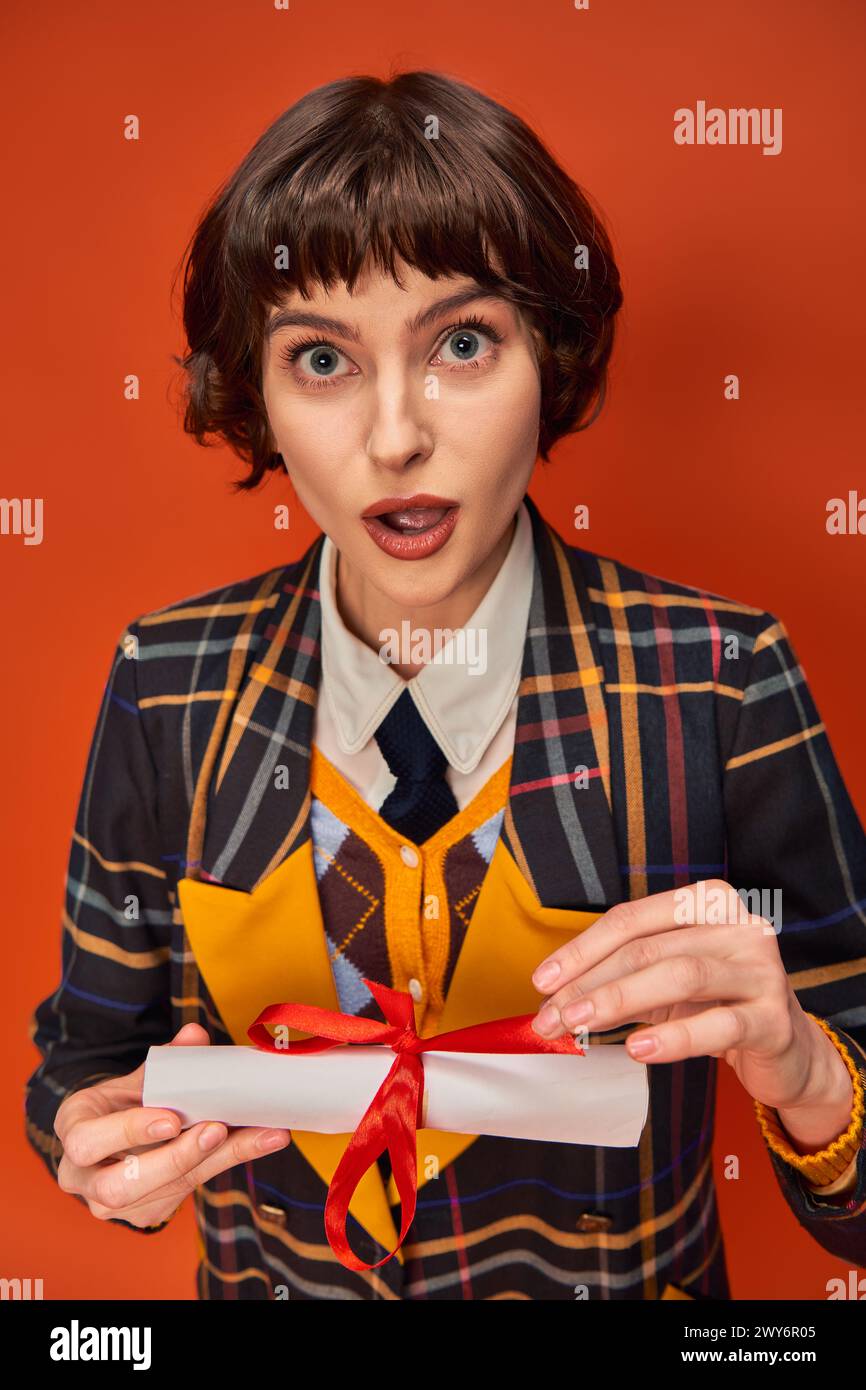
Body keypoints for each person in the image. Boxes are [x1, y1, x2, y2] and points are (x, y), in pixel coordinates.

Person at [25, 70, 866, 1300]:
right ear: (252, 393)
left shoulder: (722, 679)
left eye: (460, 343)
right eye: (319, 358)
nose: (394, 437)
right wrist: (95, 1155)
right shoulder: (167, 682)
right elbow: (79, 1069)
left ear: (551, 356)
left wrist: (804, 1069)